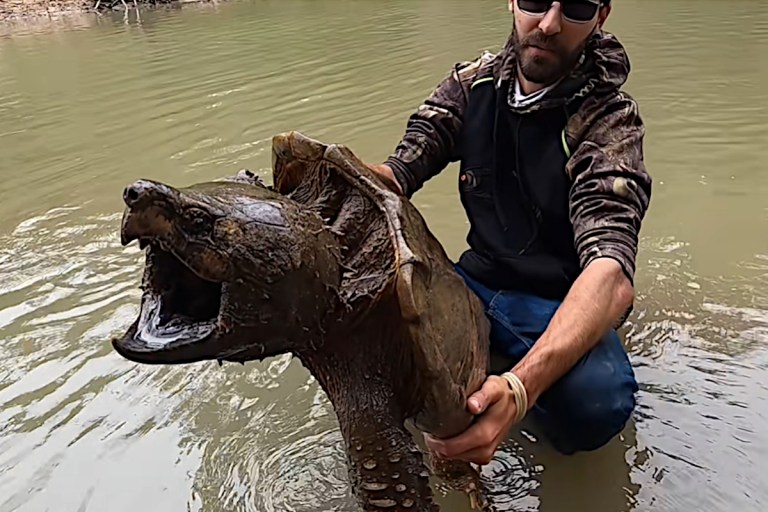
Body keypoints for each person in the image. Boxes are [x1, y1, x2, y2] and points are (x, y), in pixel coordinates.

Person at [367, 0, 652, 463]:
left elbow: (611, 271)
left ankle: (514, 384)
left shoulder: (608, 120)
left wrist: (520, 390)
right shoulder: (473, 83)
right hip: (474, 282)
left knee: (599, 402)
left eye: (577, 7)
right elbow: (397, 174)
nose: (550, 23)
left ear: (601, 17)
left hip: (558, 301)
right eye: (536, 1)